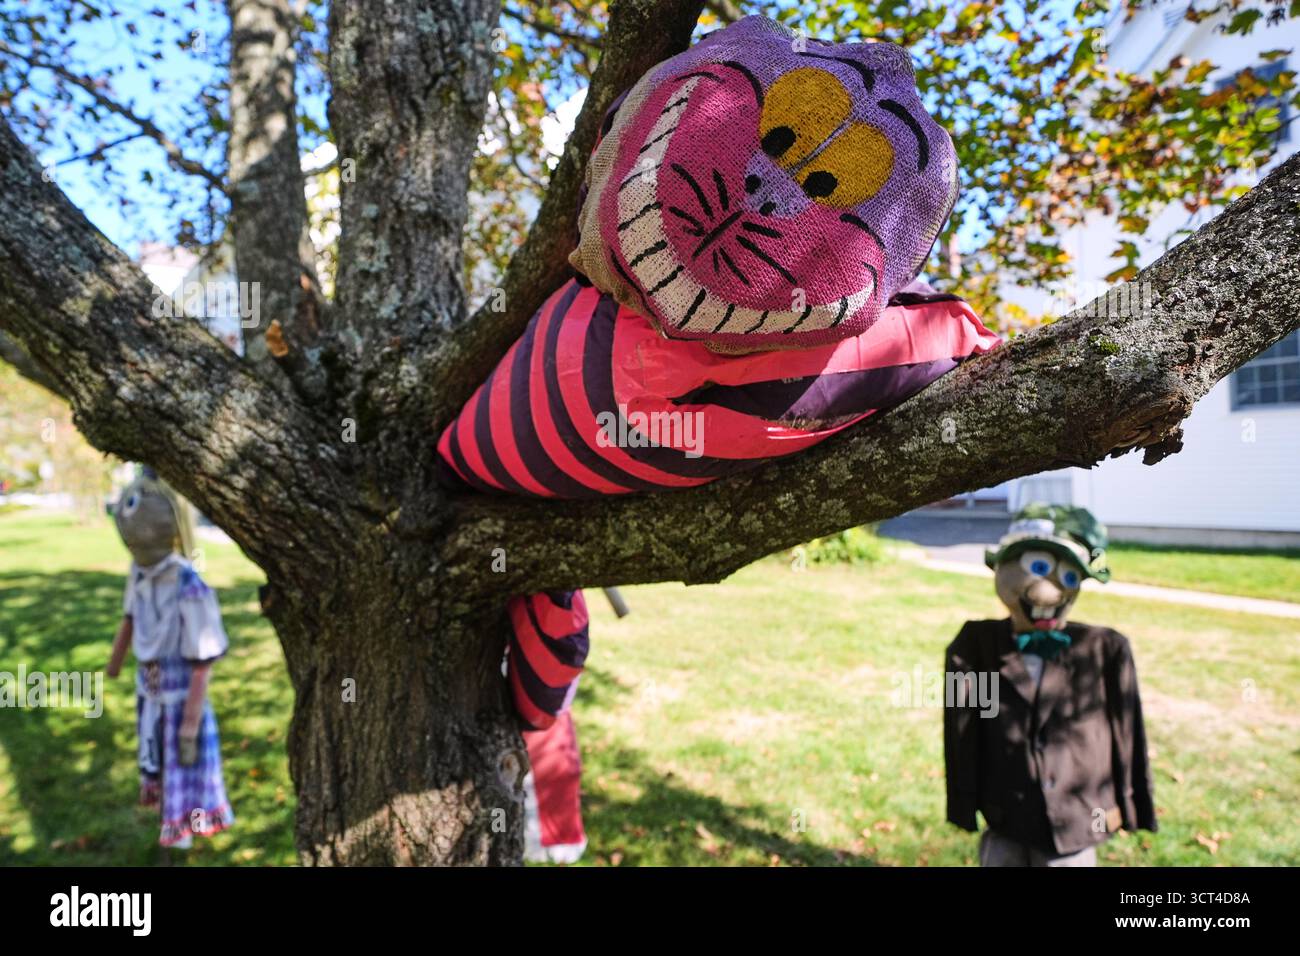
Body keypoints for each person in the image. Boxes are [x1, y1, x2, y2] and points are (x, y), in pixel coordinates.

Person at [943, 503, 1157, 866]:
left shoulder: (1107, 650)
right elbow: (961, 728)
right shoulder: (976, 647)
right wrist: (964, 802)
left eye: (1069, 577)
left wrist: (1131, 803)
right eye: (1039, 568)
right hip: (1005, 817)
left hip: (1075, 824)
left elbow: (1127, 732)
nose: (1053, 590)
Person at [107, 470, 234, 848]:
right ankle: (167, 816)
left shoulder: (188, 587)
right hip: (150, 694)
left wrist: (190, 725)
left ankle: (182, 829)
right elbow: (130, 616)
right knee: (158, 763)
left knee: (184, 766)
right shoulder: (140, 574)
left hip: (181, 705)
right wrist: (115, 662)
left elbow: (202, 660)